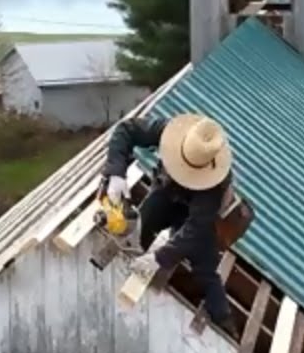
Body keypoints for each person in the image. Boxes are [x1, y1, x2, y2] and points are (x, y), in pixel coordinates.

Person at [102, 112, 238, 336]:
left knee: (205, 267)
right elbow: (125, 130)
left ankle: (224, 320)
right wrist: (116, 172)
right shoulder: (168, 131)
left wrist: (160, 257)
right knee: (143, 224)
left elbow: (195, 228)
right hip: (167, 192)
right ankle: (132, 268)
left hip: (197, 213)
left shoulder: (215, 184)